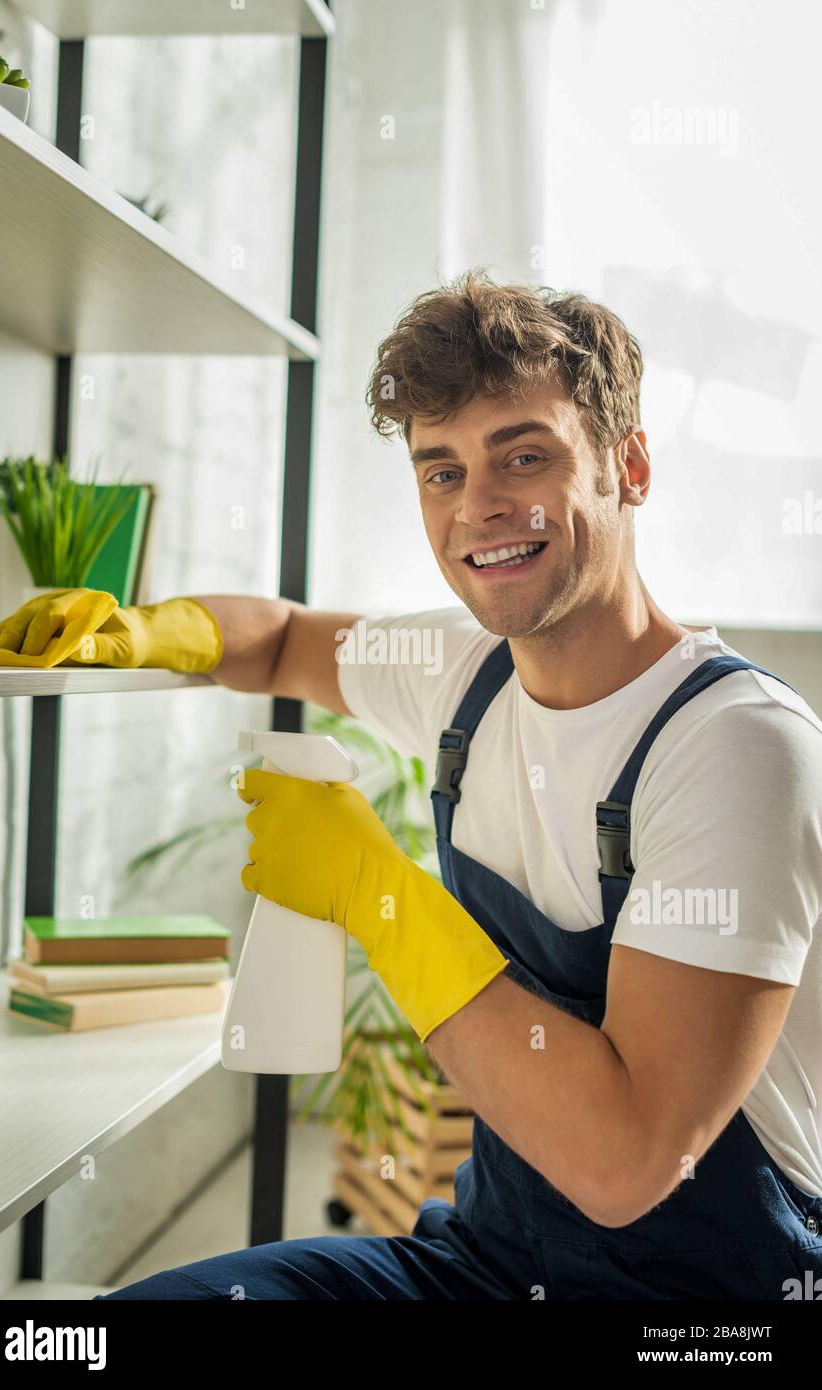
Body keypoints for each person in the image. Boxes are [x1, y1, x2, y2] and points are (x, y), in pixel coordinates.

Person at [71, 272, 822, 1298]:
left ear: (628, 465)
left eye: (524, 454)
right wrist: (147, 631)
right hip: (492, 1267)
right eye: (440, 470)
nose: (478, 507)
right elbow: (286, 638)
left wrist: (377, 893)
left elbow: (627, 1160)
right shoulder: (466, 677)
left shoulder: (737, 748)